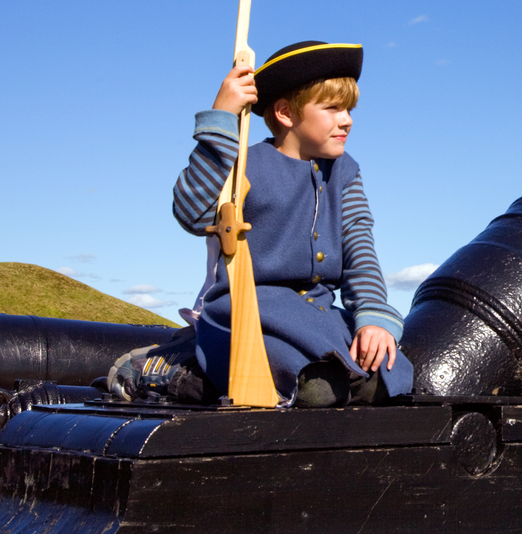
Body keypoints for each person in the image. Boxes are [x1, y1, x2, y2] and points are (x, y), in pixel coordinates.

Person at [171, 40, 414, 407]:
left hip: (314, 314)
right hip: (248, 311)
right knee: (316, 389)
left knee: (389, 376)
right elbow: (192, 212)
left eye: (348, 108)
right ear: (285, 113)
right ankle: (170, 373)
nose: (346, 119)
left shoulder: (346, 172)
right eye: (332, 108)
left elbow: (358, 244)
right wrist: (221, 120)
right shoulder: (243, 165)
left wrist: (373, 318)